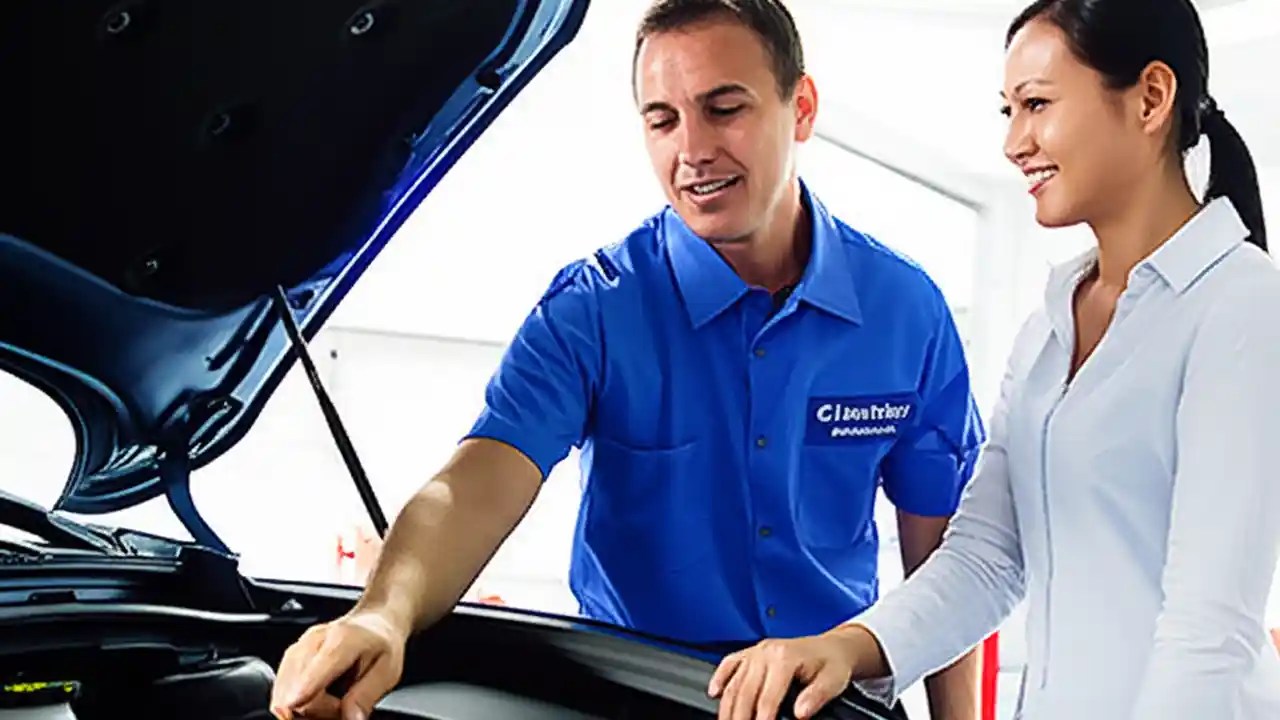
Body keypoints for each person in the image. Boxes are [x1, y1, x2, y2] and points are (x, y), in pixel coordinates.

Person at [268, 1, 986, 719]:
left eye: (723, 108)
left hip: (830, 702)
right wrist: (382, 615)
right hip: (643, 698)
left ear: (800, 107)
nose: (692, 150)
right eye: (663, 120)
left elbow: (948, 562)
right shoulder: (593, 310)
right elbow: (477, 481)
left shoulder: (907, 310)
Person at [706, 0, 1280, 718]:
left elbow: (1210, 633)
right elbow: (985, 557)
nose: (1015, 142)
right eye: (1008, 111)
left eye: (1036, 104)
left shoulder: (1242, 305)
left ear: (1152, 98)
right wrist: (845, 647)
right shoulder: (1050, 324)